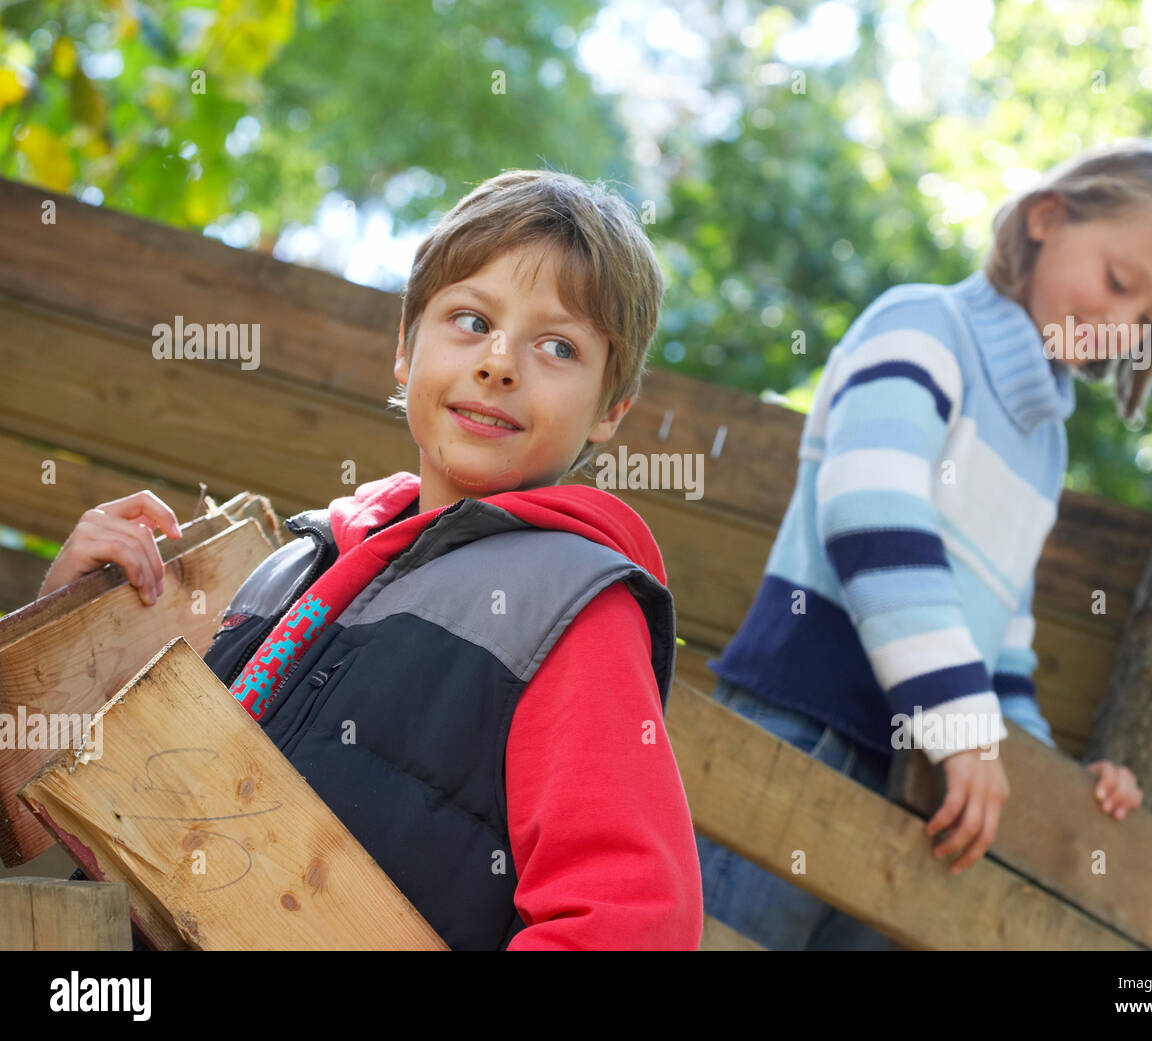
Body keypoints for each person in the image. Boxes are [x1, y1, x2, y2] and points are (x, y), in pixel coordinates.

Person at [38, 169, 703, 950]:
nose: (500, 362)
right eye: (470, 318)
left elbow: (632, 921)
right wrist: (65, 617)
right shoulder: (295, 565)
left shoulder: (571, 612)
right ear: (403, 348)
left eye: (558, 346)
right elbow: (100, 794)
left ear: (611, 408)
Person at [696, 140, 1152, 950]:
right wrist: (961, 727)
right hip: (808, 728)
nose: (1121, 328)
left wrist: (1060, 786)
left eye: (1149, 320)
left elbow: (1000, 647)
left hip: (927, 793)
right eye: (1118, 283)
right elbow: (872, 512)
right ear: (1047, 219)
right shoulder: (924, 325)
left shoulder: (1044, 449)